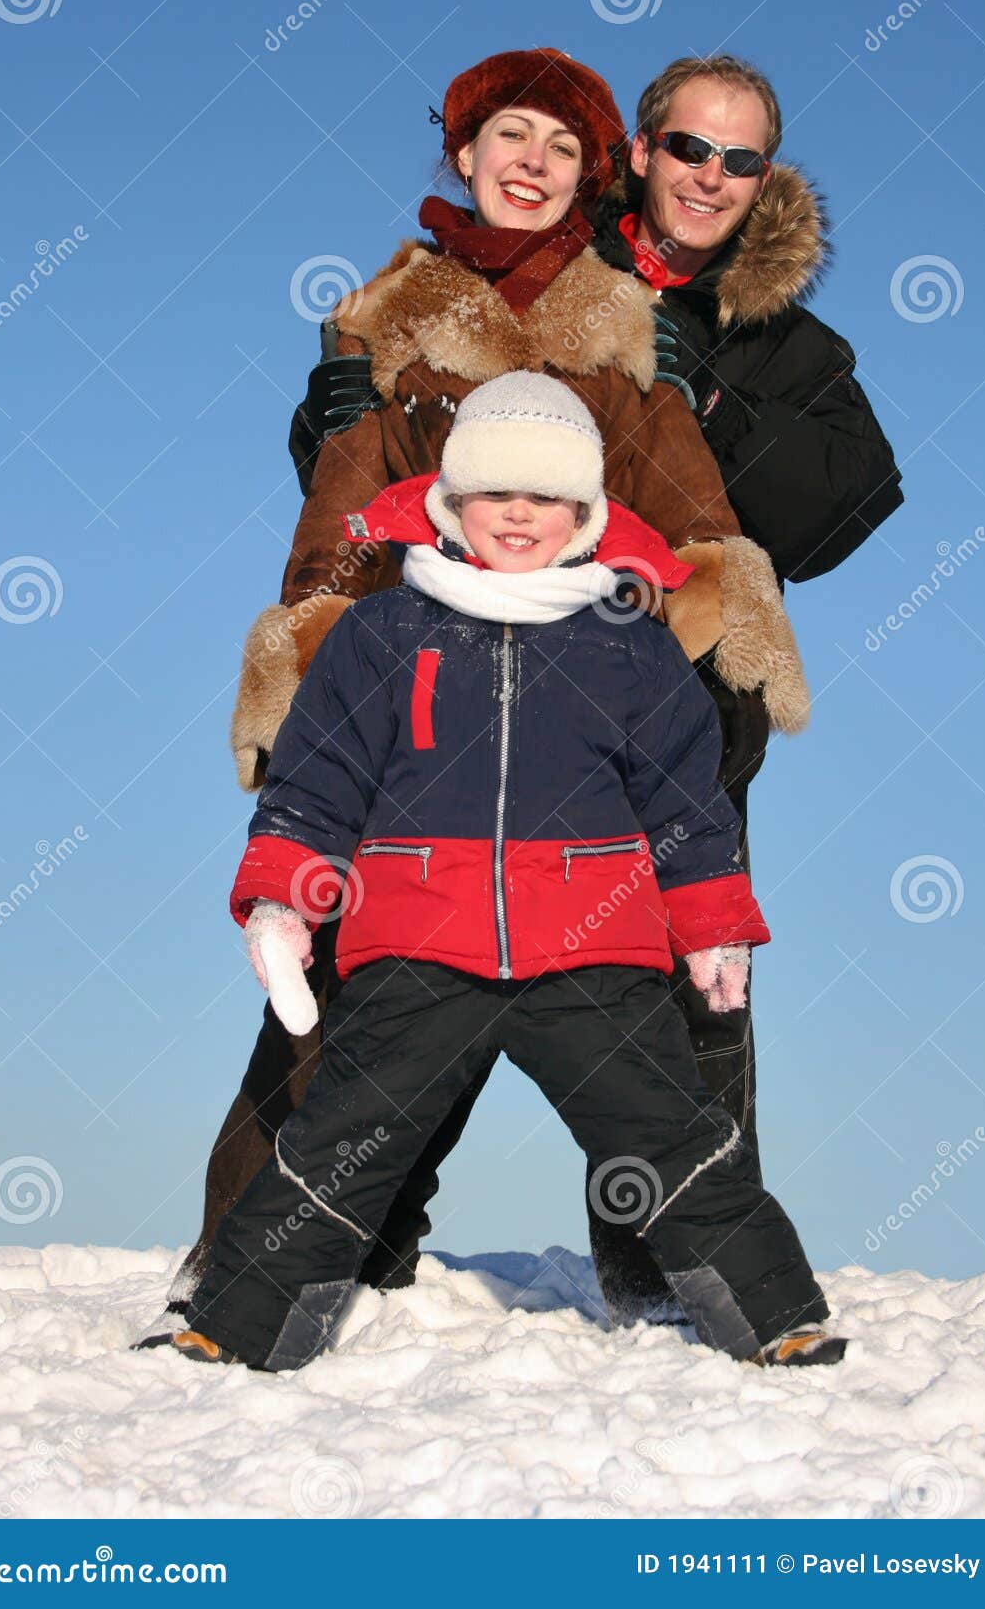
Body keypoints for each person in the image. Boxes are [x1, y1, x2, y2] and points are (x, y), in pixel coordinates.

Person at [151, 47, 806, 1340]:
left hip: (581, 698)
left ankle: (690, 1272)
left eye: (560, 148)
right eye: (507, 136)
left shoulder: (619, 318)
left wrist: (685, 653)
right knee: (344, 984)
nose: (530, 163)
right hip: (426, 688)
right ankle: (252, 1265)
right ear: (460, 151)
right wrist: (316, 653)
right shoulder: (384, 313)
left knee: (635, 1005)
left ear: (591, 176)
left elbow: (687, 509)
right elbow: (343, 504)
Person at [159, 374, 846, 1375]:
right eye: (495, 494)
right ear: (450, 501)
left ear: (583, 512)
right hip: (416, 944)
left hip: (592, 949)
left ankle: (772, 1312)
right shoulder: (384, 633)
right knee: (337, 1141)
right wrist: (281, 900)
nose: (518, 515)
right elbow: (318, 782)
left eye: (545, 497)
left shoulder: (628, 644)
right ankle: (240, 1322)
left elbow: (683, 801)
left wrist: (710, 921)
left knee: (673, 1134)